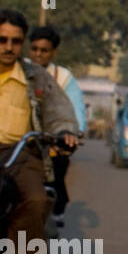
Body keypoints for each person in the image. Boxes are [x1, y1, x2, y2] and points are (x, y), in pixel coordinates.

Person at [0, 9, 79, 254]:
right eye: (2, 40)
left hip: (20, 153)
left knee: (37, 200)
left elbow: (59, 110)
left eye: (15, 41)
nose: (9, 47)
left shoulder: (36, 77)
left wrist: (65, 131)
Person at [27, 26, 86, 229]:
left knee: (56, 168)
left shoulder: (63, 78)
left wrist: (70, 133)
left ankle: (57, 208)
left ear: (53, 53)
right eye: (34, 49)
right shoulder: (20, 70)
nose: (38, 55)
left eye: (44, 51)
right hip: (20, 139)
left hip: (50, 140)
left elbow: (73, 108)